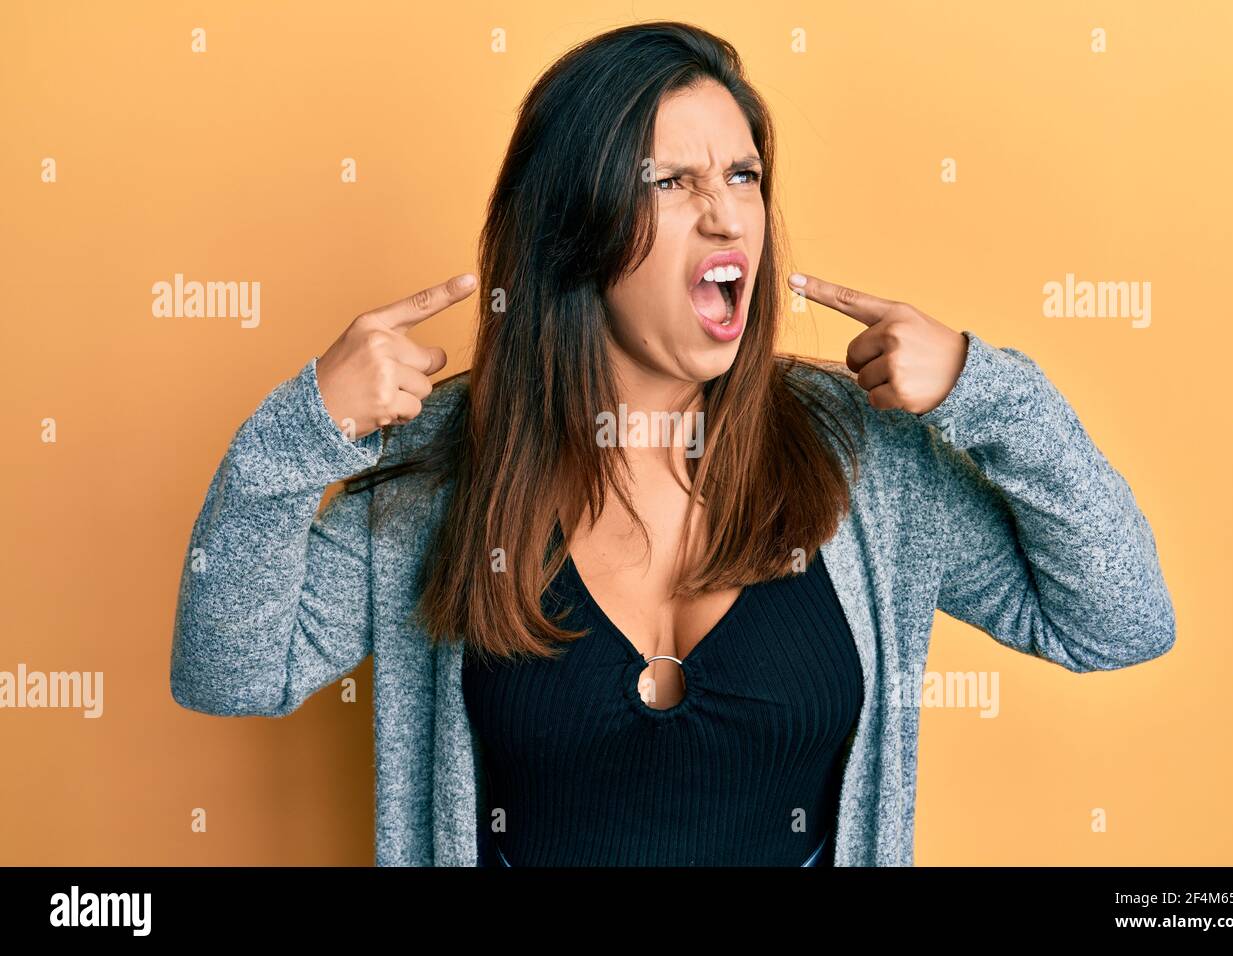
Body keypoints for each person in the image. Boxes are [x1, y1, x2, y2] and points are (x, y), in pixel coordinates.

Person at [170, 21, 1176, 867]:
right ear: (573, 228)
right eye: (673, 181)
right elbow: (230, 671)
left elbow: (1113, 619)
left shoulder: (863, 462)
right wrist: (306, 426)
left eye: (744, 174)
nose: (726, 211)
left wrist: (984, 390)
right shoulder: (447, 470)